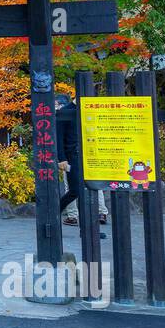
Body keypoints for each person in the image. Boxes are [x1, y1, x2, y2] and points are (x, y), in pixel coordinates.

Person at [54, 93, 108, 230]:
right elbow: (58, 139)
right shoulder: (65, 111)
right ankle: (54, 213)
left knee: (94, 187)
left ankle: (93, 225)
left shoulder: (91, 110)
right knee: (75, 190)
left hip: (91, 156)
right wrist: (62, 159)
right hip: (72, 157)